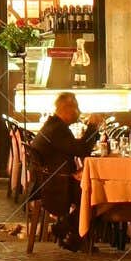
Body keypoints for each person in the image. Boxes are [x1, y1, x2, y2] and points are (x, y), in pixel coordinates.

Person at [29, 92, 105, 249]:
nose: (79, 112)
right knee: (94, 193)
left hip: (53, 179)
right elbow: (82, 150)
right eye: (77, 108)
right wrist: (92, 127)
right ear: (67, 108)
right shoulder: (57, 129)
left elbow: (74, 148)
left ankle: (71, 235)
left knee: (92, 191)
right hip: (55, 186)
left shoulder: (54, 125)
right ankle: (69, 232)